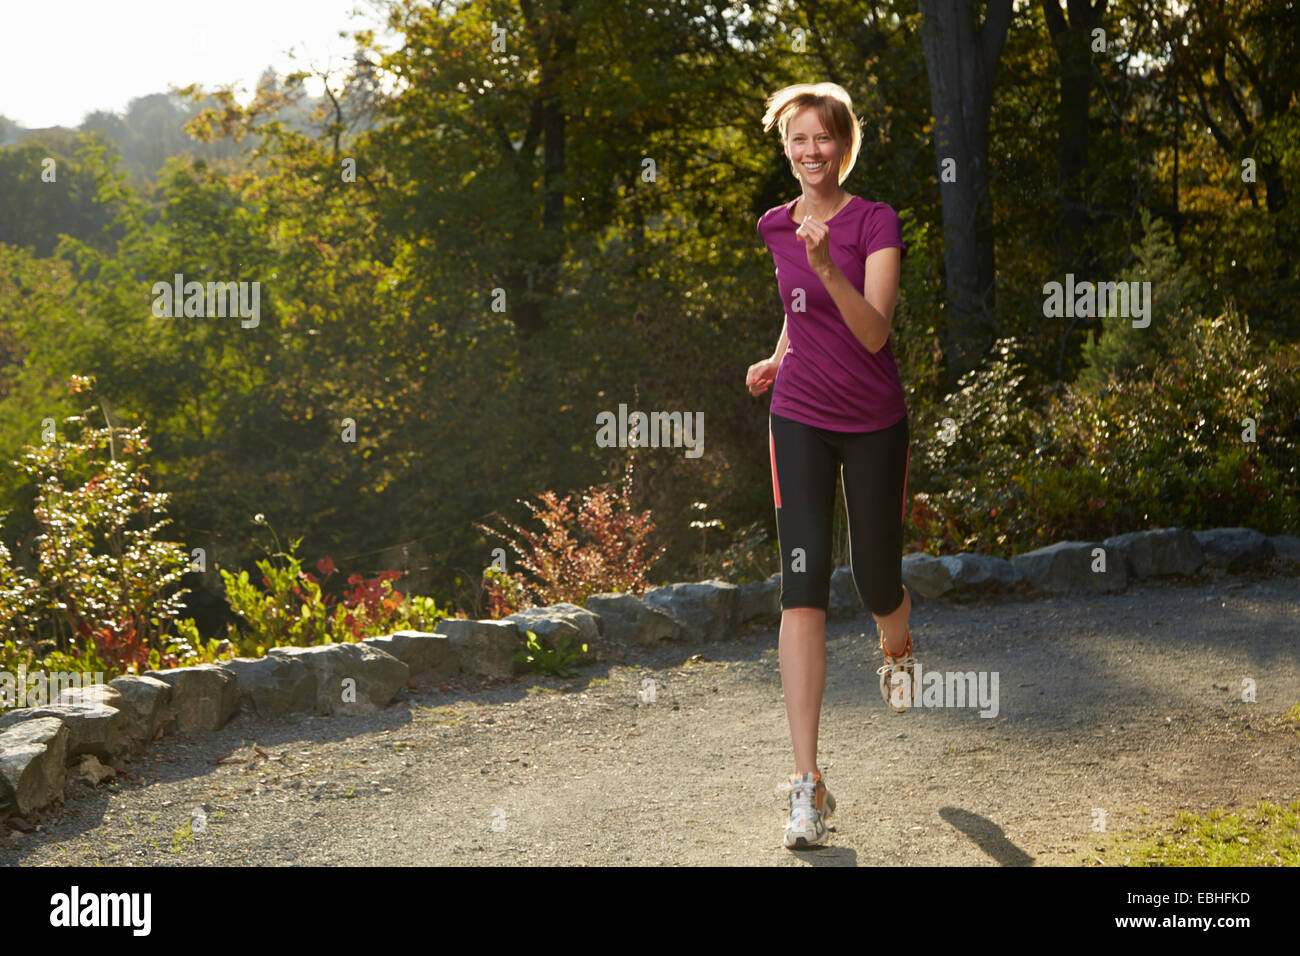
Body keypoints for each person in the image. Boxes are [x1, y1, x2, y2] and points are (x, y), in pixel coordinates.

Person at [747, 82, 915, 850]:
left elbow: (874, 332)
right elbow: (796, 304)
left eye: (821, 138)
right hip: (801, 420)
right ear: (786, 149)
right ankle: (806, 786)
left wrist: (828, 267)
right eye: (797, 140)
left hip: (874, 421)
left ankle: (898, 646)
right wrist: (778, 359)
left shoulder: (876, 222)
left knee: (875, 577)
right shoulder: (776, 226)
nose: (809, 151)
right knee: (802, 587)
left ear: (843, 146)